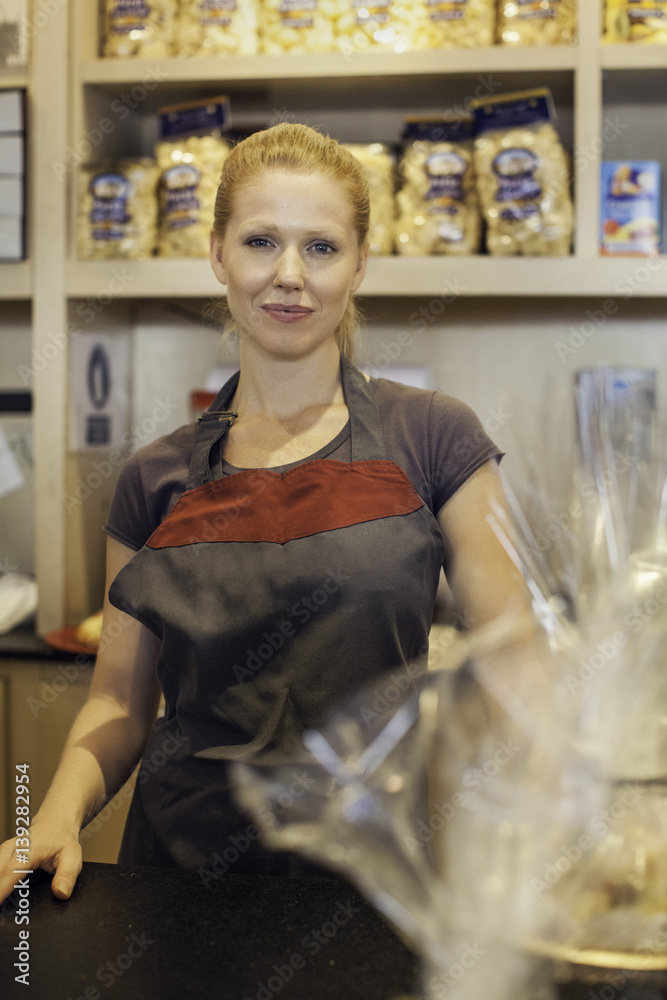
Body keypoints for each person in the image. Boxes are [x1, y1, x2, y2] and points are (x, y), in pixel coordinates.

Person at [0, 122, 530, 903]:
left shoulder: (434, 435)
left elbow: (514, 657)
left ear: (359, 263)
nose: (289, 275)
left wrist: (533, 823)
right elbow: (117, 701)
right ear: (218, 255)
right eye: (260, 242)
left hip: (373, 877)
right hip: (178, 878)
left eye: (320, 247)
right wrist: (52, 814)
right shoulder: (153, 477)